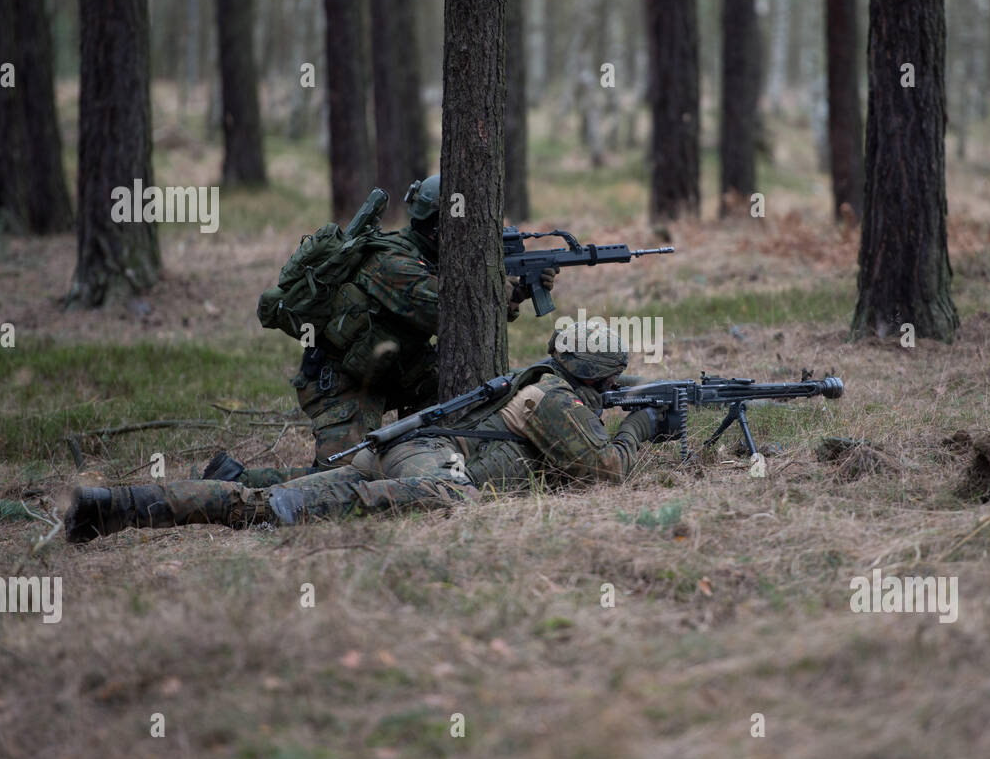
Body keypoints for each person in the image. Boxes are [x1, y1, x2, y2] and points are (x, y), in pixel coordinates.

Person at [66, 323, 678, 542]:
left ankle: (115, 505)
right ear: (597, 380)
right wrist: (643, 425)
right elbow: (604, 473)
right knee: (452, 499)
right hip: (427, 464)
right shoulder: (553, 399)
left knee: (255, 504)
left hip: (400, 450)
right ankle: (318, 507)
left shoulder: (537, 379)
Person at [211, 174, 558, 488]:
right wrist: (501, 289)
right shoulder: (393, 263)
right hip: (342, 381)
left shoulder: (428, 258)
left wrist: (517, 295)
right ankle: (238, 482)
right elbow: (448, 313)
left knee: (462, 388)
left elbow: (471, 318)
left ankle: (423, 452)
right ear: (437, 228)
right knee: (344, 479)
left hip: (394, 371)